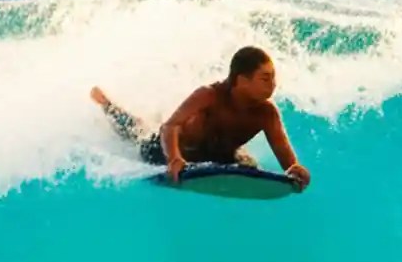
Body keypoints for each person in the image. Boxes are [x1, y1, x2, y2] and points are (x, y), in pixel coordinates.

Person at [90, 46, 312, 191]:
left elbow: (285, 156)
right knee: (137, 134)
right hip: (174, 152)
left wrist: (294, 169)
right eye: (265, 78)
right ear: (242, 80)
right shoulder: (209, 95)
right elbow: (170, 126)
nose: (273, 84)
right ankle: (106, 104)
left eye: (273, 78)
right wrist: (174, 158)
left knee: (250, 165)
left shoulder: (267, 113)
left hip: (220, 156)